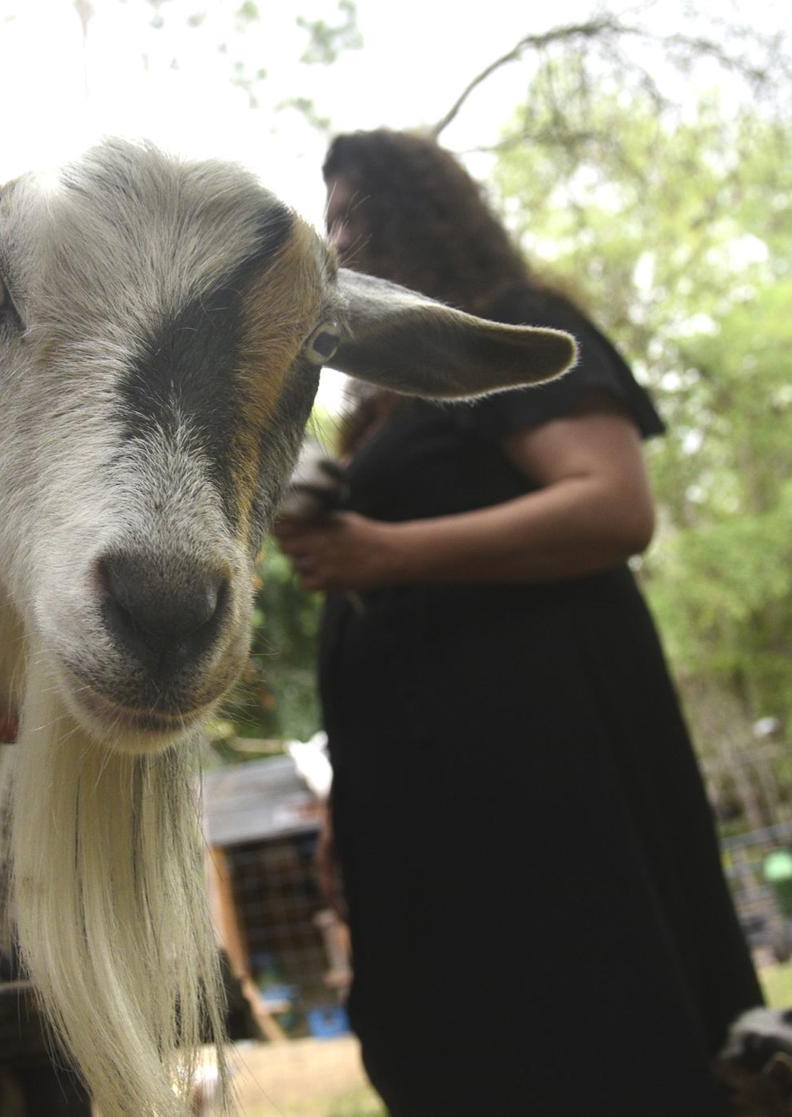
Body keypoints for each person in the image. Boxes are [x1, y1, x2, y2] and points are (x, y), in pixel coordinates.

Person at [274, 128, 763, 1116]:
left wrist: (384, 553)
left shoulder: (516, 329)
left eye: (350, 217)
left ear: (416, 216)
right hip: (435, 802)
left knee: (583, 1029)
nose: (337, 248)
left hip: (548, 779)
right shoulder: (387, 404)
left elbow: (614, 503)